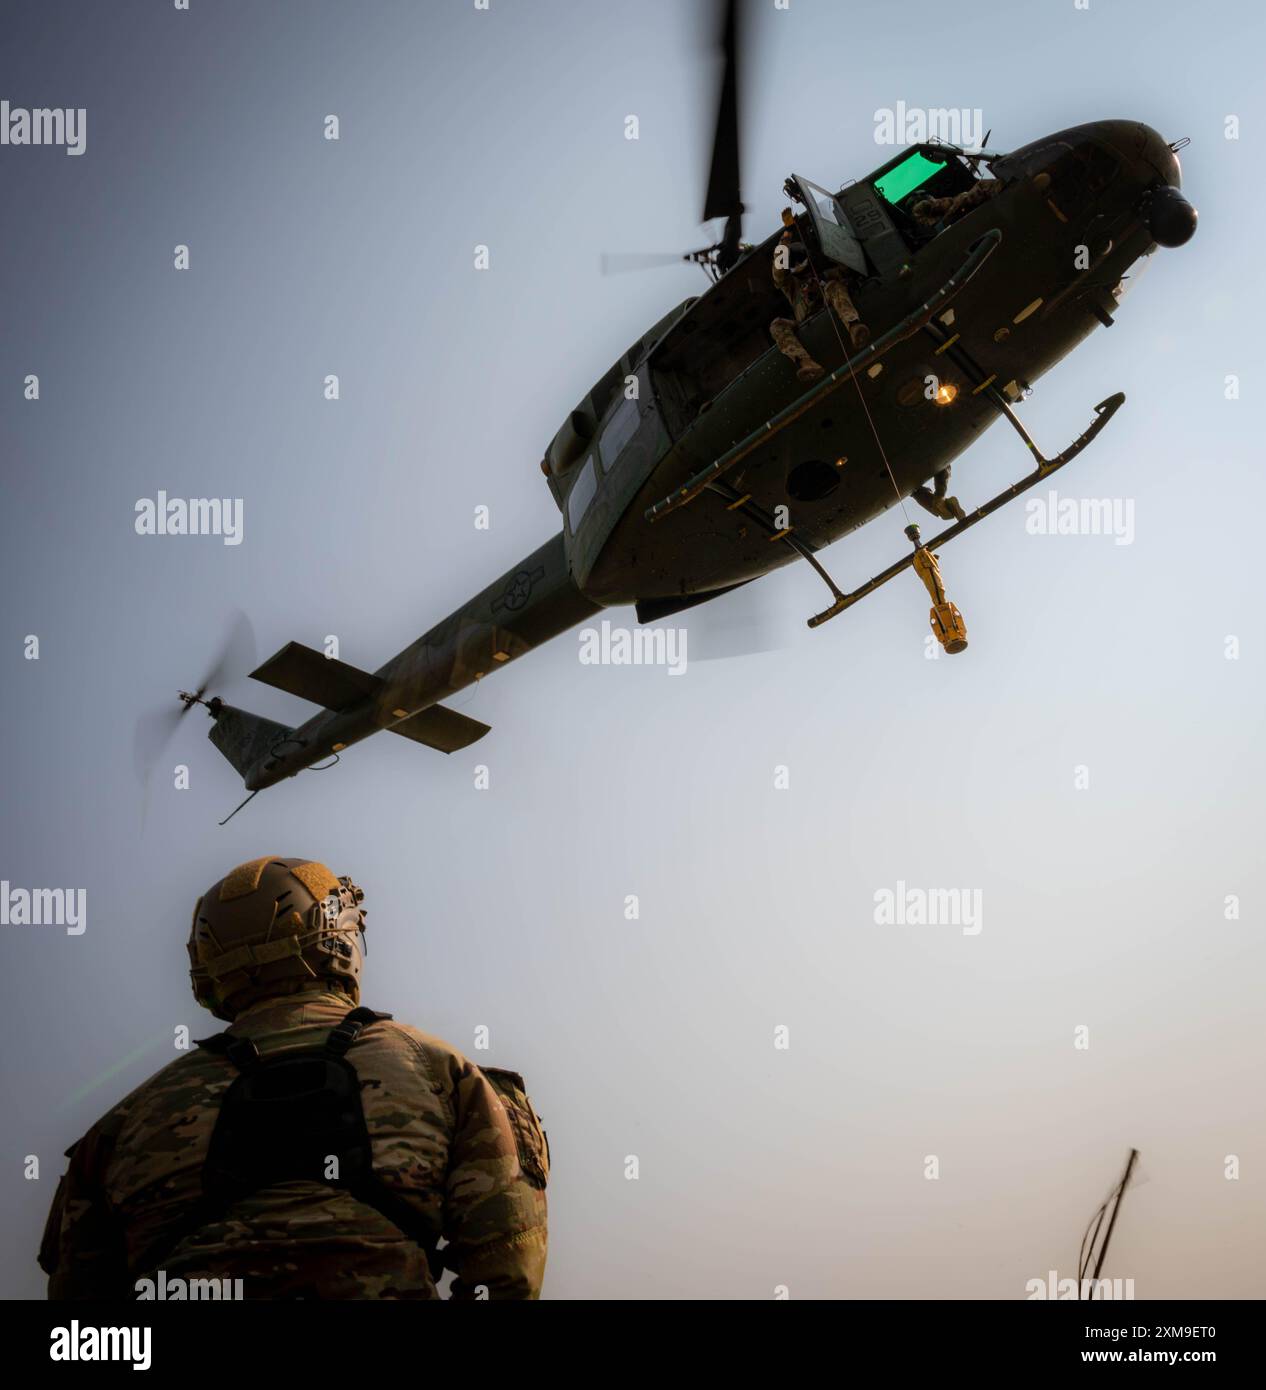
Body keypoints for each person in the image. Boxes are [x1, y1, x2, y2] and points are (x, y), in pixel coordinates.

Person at [39, 855, 549, 1300]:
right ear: (337, 936)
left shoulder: (122, 1126)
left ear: (207, 967)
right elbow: (508, 1271)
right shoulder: (448, 1074)